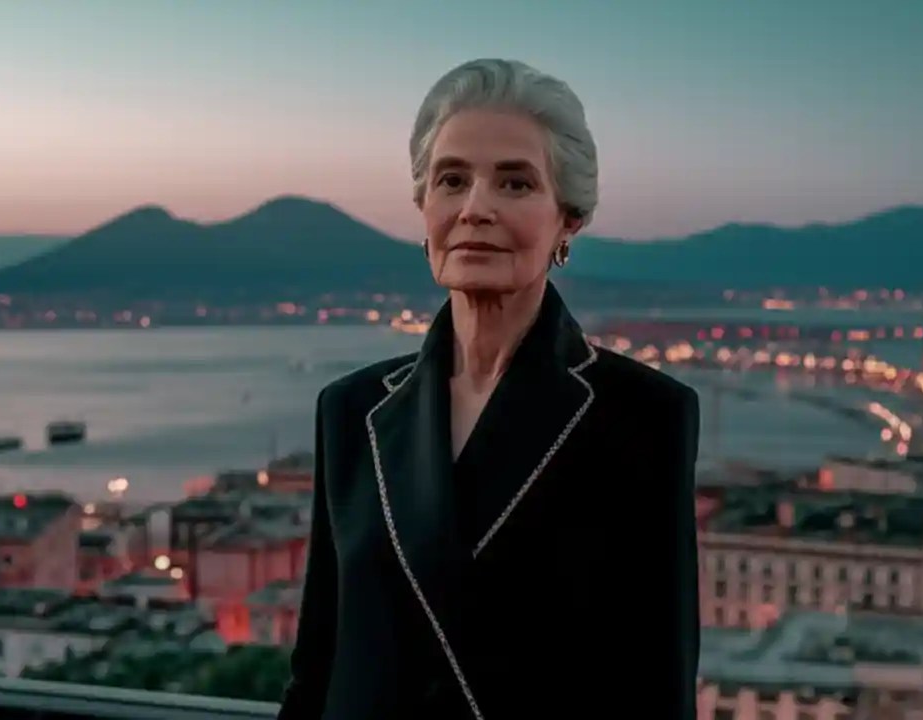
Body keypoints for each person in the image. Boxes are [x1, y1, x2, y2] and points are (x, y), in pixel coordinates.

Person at [277, 58, 701, 720]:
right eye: (452, 180)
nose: (477, 208)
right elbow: (317, 668)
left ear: (568, 221)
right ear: (424, 209)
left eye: (515, 182)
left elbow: (656, 687)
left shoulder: (645, 415)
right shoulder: (351, 410)